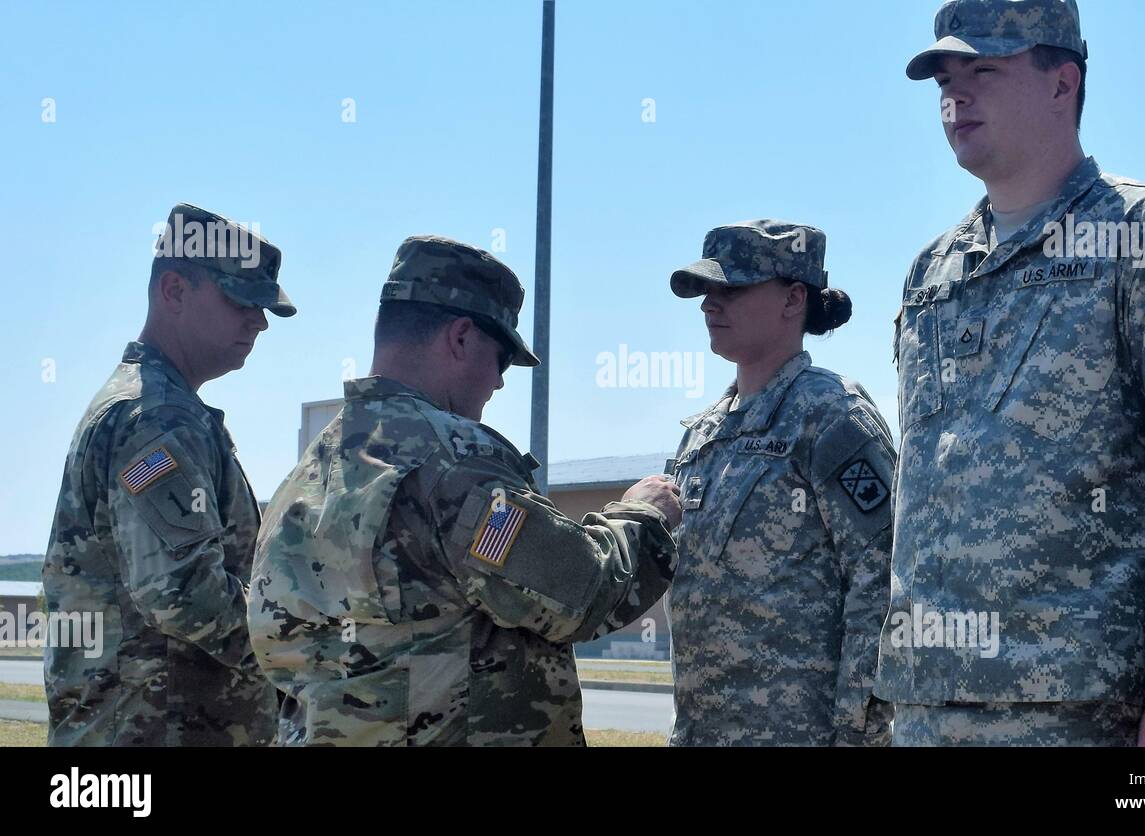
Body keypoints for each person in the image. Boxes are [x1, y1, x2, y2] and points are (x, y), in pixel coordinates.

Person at [879, 0, 1145, 746]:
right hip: (924, 703)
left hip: (1076, 711)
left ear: (1061, 81)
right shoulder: (931, 272)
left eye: (983, 69)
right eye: (944, 76)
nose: (955, 94)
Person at [248, 235, 681, 746]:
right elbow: (579, 593)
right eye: (500, 360)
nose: (498, 383)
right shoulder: (453, 462)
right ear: (459, 337)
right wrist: (642, 516)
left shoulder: (310, 469)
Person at [43, 203, 293, 746]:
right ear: (174, 290)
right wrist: (301, 657)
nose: (259, 320)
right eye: (240, 300)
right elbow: (181, 592)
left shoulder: (162, 408)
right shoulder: (155, 417)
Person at [665, 219, 895, 746]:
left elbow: (882, 579)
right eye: (705, 291)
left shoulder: (831, 416)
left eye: (732, 288)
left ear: (794, 299)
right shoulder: (704, 433)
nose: (709, 304)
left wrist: (857, 732)